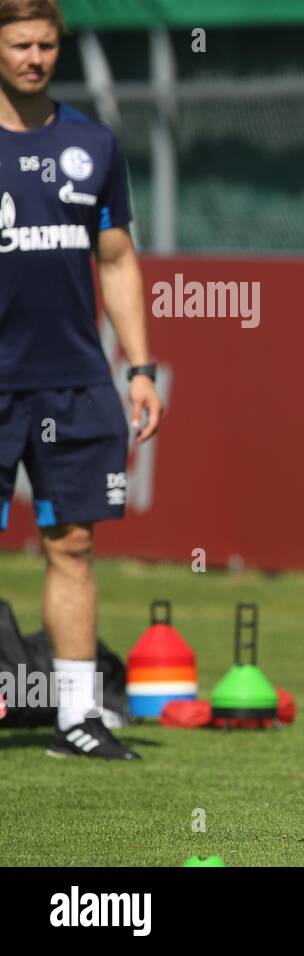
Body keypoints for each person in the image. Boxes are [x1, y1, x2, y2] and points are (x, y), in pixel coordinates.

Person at [0, 0, 163, 758]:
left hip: (72, 380)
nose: (35, 57)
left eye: (47, 44)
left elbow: (119, 259)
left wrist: (138, 366)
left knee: (73, 544)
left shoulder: (92, 143)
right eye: (20, 44)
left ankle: (76, 718)